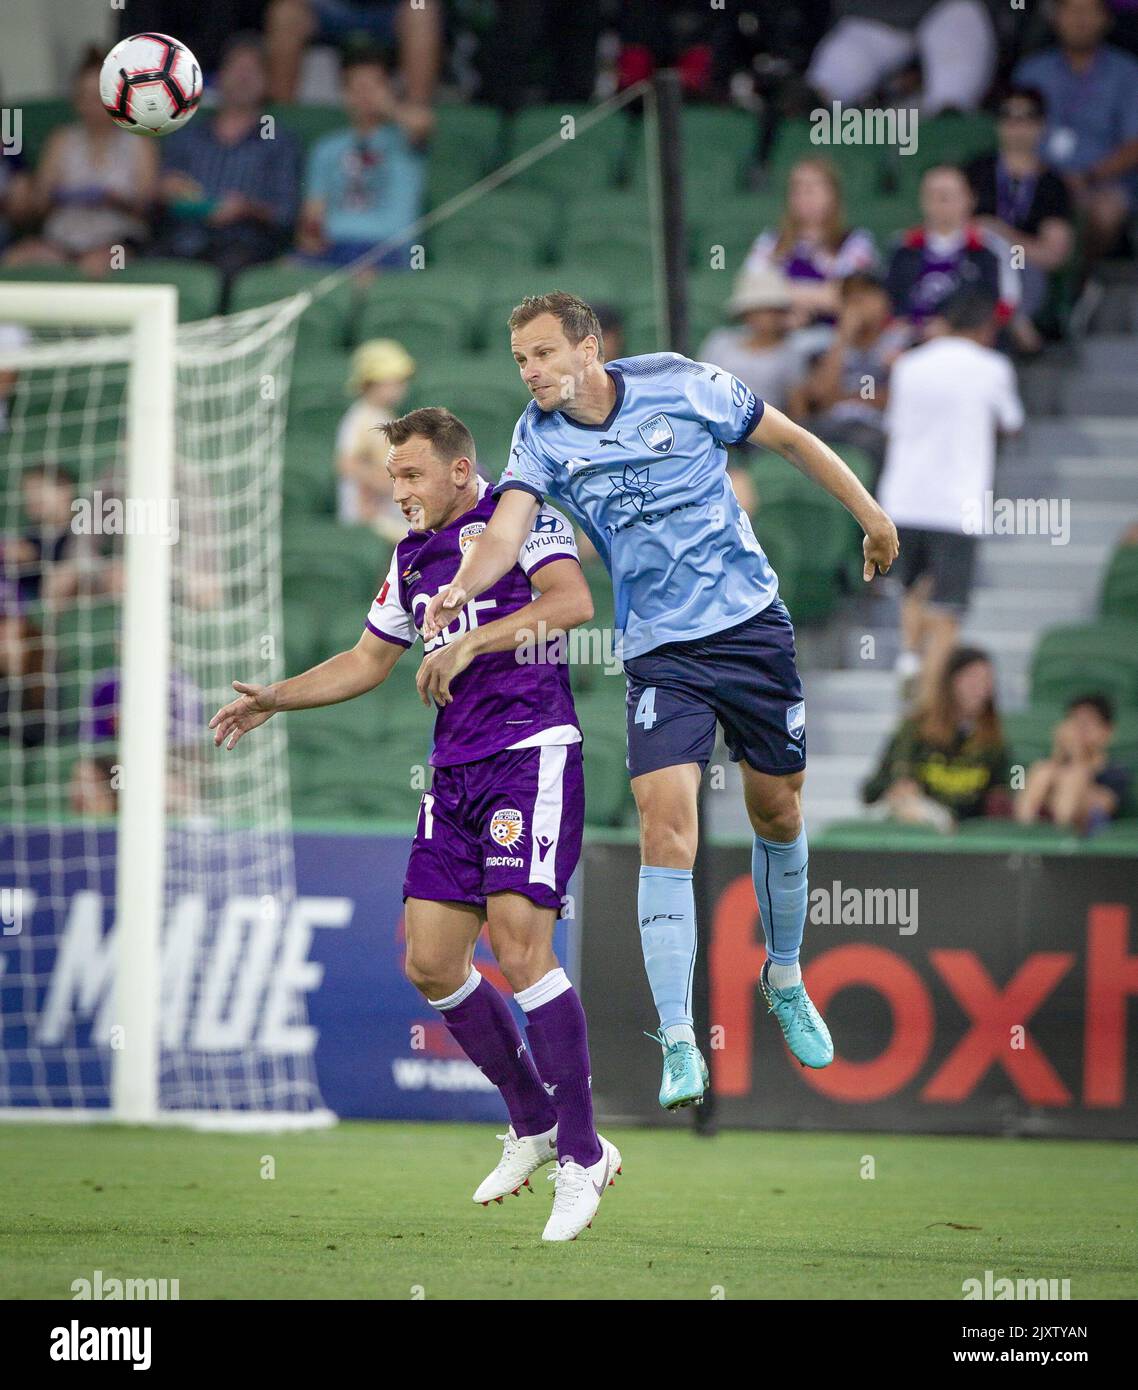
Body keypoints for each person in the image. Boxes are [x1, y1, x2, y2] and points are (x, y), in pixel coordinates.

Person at [422, 292, 900, 1110]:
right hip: (659, 653)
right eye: (520, 360)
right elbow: (506, 532)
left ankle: (784, 976)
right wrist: (460, 593)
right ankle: (679, 1036)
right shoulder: (536, 439)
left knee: (777, 812)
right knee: (663, 824)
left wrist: (872, 515)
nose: (531, 372)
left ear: (587, 348)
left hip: (750, 628)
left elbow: (790, 440)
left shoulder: (684, 385)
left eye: (542, 354)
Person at [209, 406, 619, 1242]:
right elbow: (367, 659)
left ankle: (583, 1154)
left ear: (460, 471)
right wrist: (276, 699)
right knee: (431, 963)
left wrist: (475, 645)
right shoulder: (411, 556)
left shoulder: (524, 514)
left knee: (518, 947)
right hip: (455, 772)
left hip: (529, 752)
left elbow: (573, 603)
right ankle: (533, 1123)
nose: (398, 491)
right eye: (392, 475)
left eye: (410, 475)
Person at [875, 289, 1024, 697]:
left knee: (913, 587)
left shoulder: (908, 364)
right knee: (949, 605)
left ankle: (908, 655)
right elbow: (1012, 422)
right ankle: (931, 690)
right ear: (984, 329)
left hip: (902, 497)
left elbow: (893, 426)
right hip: (957, 503)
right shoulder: (992, 367)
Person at [153, 34, 301, 292]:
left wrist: (246, 208)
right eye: (236, 68)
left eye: (253, 70)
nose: (243, 77)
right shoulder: (187, 134)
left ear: (267, 82)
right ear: (220, 76)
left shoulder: (279, 141)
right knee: (146, 269)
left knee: (229, 268)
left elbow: (286, 213)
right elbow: (155, 195)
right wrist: (167, 188)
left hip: (243, 245)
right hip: (181, 239)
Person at [2, 49, 157, 276]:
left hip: (118, 243)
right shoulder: (61, 139)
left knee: (96, 265)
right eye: (84, 97)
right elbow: (37, 205)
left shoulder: (138, 142)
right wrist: (51, 195)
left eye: (99, 97)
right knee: (14, 259)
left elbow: (148, 209)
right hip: (61, 239)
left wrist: (115, 200)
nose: (91, 105)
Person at [1014, 0, 1138, 262]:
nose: (1080, 20)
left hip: (1100, 182)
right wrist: (1045, 178)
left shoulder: (1127, 72)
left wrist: (1087, 177)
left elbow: (1134, 144)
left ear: (1106, 19)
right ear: (1056, 18)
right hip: (1039, 178)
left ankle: (1077, 287)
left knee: (1104, 212)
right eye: (1071, 11)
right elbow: (1013, 131)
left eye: (1090, 11)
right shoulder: (1033, 71)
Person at [295, 48, 426, 270]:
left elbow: (423, 124)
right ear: (344, 95)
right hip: (334, 245)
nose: (364, 94)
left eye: (373, 86)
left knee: (362, 280)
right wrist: (310, 238)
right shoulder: (327, 147)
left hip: (388, 248)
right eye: (356, 87)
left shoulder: (406, 138)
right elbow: (313, 211)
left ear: (389, 90)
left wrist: (388, 105)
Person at [967, 86, 1076, 350]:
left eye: (1026, 117)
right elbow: (948, 228)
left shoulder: (1053, 184)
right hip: (975, 261)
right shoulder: (976, 171)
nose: (1017, 125)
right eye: (1008, 116)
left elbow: (1053, 254)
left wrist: (1001, 236)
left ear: (1041, 125)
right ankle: (1014, 321)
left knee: (1015, 264)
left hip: (1023, 265)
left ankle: (1010, 318)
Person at [862, 646, 1012, 829]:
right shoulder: (915, 729)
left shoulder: (993, 737)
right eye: (972, 679)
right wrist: (898, 785)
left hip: (966, 831)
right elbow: (874, 788)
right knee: (911, 807)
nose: (981, 689)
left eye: (986, 681)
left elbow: (1008, 783)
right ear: (951, 682)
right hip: (918, 821)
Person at [793, 272, 908, 481]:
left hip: (877, 429)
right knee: (795, 442)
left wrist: (846, 397)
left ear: (884, 300)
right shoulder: (828, 345)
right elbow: (820, 396)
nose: (858, 304)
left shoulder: (901, 341)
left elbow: (895, 399)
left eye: (866, 296)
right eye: (851, 299)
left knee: (866, 444)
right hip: (833, 424)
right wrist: (843, 337)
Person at [743, 158, 878, 331]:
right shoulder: (770, 241)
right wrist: (815, 297)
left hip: (835, 338)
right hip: (776, 333)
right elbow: (751, 292)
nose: (803, 195)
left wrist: (780, 295)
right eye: (796, 188)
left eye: (812, 188)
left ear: (833, 195)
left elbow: (849, 298)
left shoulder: (857, 242)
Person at [886, 165, 1021, 333]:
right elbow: (886, 302)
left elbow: (1007, 303)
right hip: (909, 346)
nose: (941, 201)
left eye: (948, 194)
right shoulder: (902, 246)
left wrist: (955, 329)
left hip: (972, 343)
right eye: (933, 194)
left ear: (970, 198)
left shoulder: (994, 246)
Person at [264, 0, 440, 125]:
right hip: (333, 8)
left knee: (422, 5)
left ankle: (417, 111)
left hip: (389, 9)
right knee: (286, 10)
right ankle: (283, 116)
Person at [807, 0, 997, 114]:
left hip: (951, 9)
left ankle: (945, 137)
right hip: (877, 17)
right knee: (829, 77)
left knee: (953, 94)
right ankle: (804, 124)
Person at [335, 338, 416, 540]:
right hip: (369, 521)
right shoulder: (362, 417)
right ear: (370, 383)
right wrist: (390, 484)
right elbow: (347, 464)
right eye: (393, 381)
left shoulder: (383, 416)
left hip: (387, 515)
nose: (401, 387)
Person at [1016, 693, 1132, 832]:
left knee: (1074, 777)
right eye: (1075, 722)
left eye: (1087, 724)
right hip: (1045, 821)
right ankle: (1022, 838)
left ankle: (1060, 839)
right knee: (1042, 771)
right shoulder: (1051, 769)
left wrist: (1077, 755)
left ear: (1106, 731)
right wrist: (1059, 752)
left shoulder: (1115, 771)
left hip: (1090, 834)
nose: (1079, 731)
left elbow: (1104, 805)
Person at [698, 268, 809, 412]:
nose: (767, 317)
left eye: (772, 310)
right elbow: (699, 388)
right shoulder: (720, 341)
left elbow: (798, 409)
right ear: (747, 313)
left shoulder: (791, 353)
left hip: (763, 430)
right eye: (760, 310)